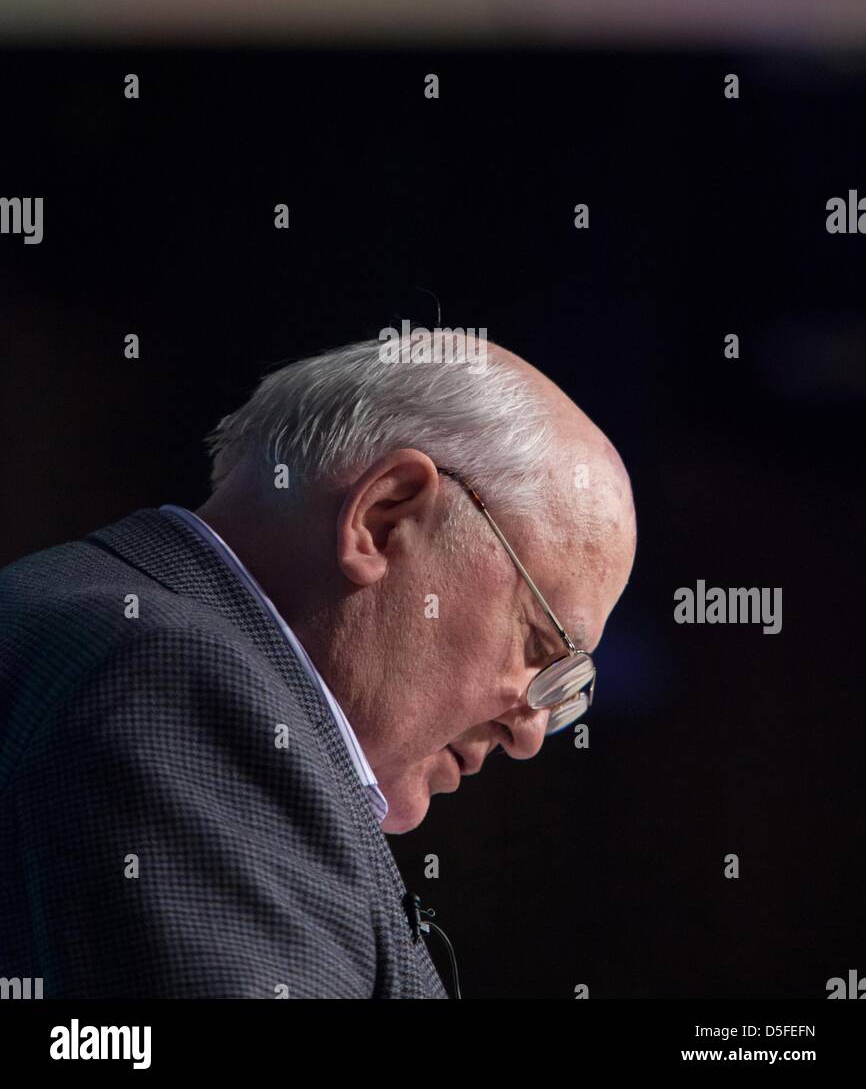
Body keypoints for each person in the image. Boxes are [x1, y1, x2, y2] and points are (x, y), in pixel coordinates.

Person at [0, 335, 636, 998]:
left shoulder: (103, 627)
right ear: (385, 519)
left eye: (569, 691)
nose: (531, 733)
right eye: (541, 645)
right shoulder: (173, 679)